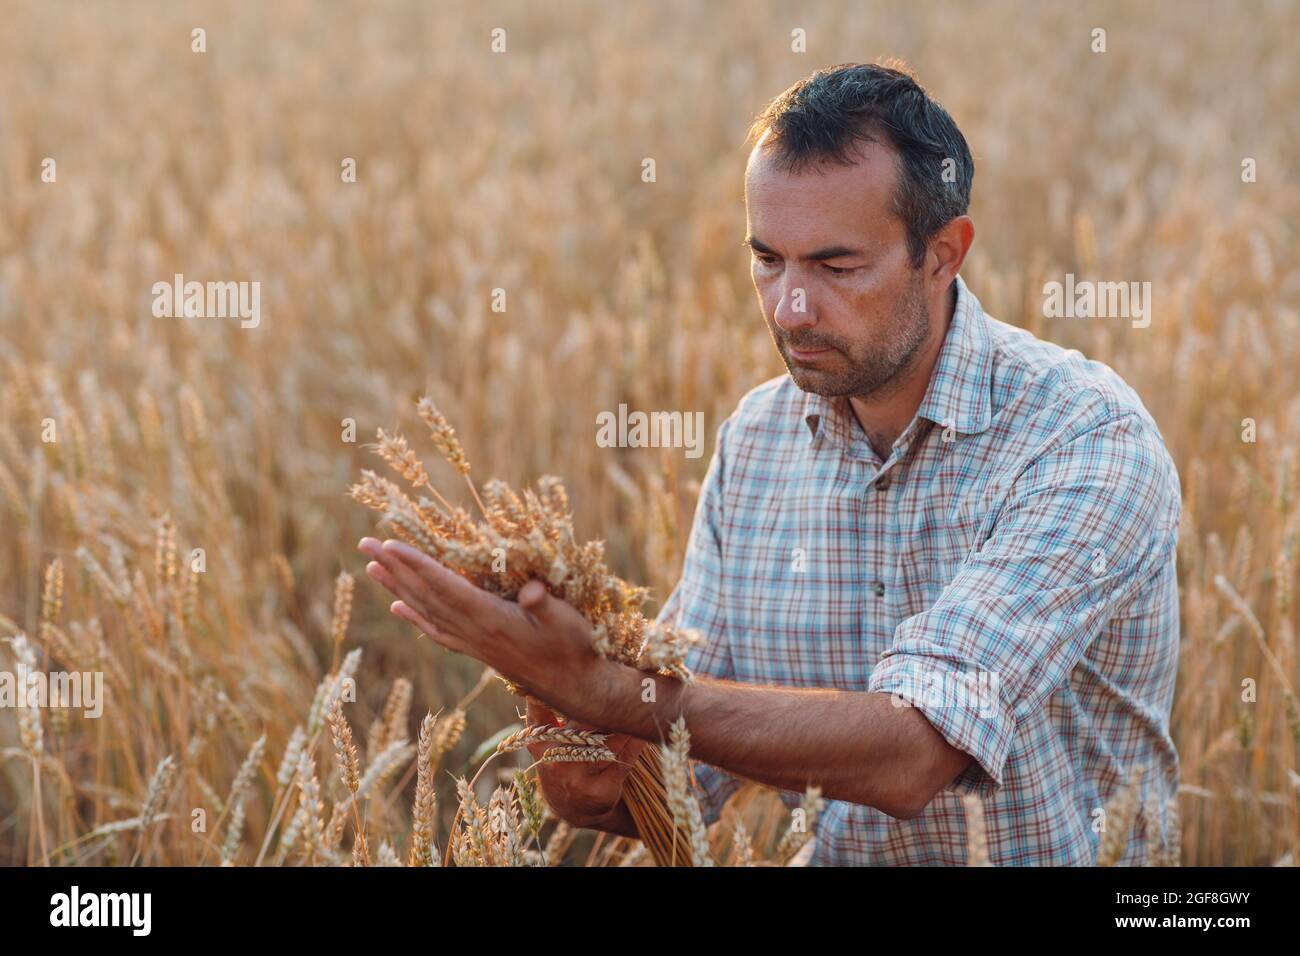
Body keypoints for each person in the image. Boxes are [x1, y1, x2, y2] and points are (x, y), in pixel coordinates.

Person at [361, 61, 1182, 865]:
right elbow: (665, 788)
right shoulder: (756, 443)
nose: (790, 307)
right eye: (767, 259)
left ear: (944, 254)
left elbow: (915, 754)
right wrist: (552, 701)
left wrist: (608, 692)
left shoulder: (1082, 438)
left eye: (835, 266)